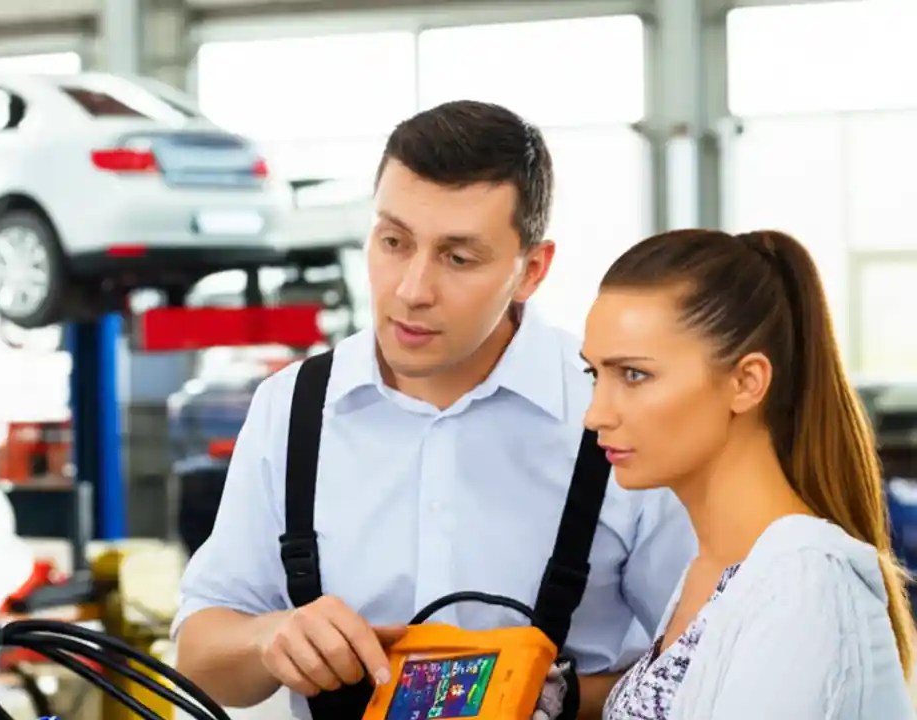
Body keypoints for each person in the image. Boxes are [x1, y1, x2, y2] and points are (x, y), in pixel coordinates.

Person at [170, 99, 696, 720]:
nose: (412, 290)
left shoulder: (612, 416)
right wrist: (269, 639)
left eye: (457, 257)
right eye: (394, 241)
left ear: (531, 270)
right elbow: (200, 656)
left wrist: (559, 699)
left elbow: (704, 665)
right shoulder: (291, 410)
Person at [583, 228, 917, 719]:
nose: (596, 414)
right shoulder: (717, 571)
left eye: (634, 375)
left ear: (746, 382)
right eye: (595, 374)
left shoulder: (802, 587)